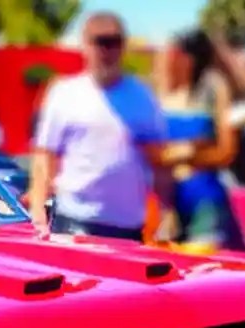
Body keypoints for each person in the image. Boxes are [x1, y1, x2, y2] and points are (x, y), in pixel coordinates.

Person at [27, 11, 175, 242]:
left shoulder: (143, 97)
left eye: (114, 42)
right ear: (85, 45)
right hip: (74, 222)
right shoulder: (64, 93)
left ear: (123, 46)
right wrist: (38, 211)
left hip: (129, 227)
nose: (107, 50)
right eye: (100, 42)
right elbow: (45, 155)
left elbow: (159, 161)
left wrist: (166, 212)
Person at [155, 29, 245, 252]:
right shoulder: (161, 94)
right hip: (167, 207)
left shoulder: (214, 87)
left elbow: (227, 151)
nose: (167, 60)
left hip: (203, 200)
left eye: (175, 55)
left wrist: (189, 154)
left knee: (203, 273)